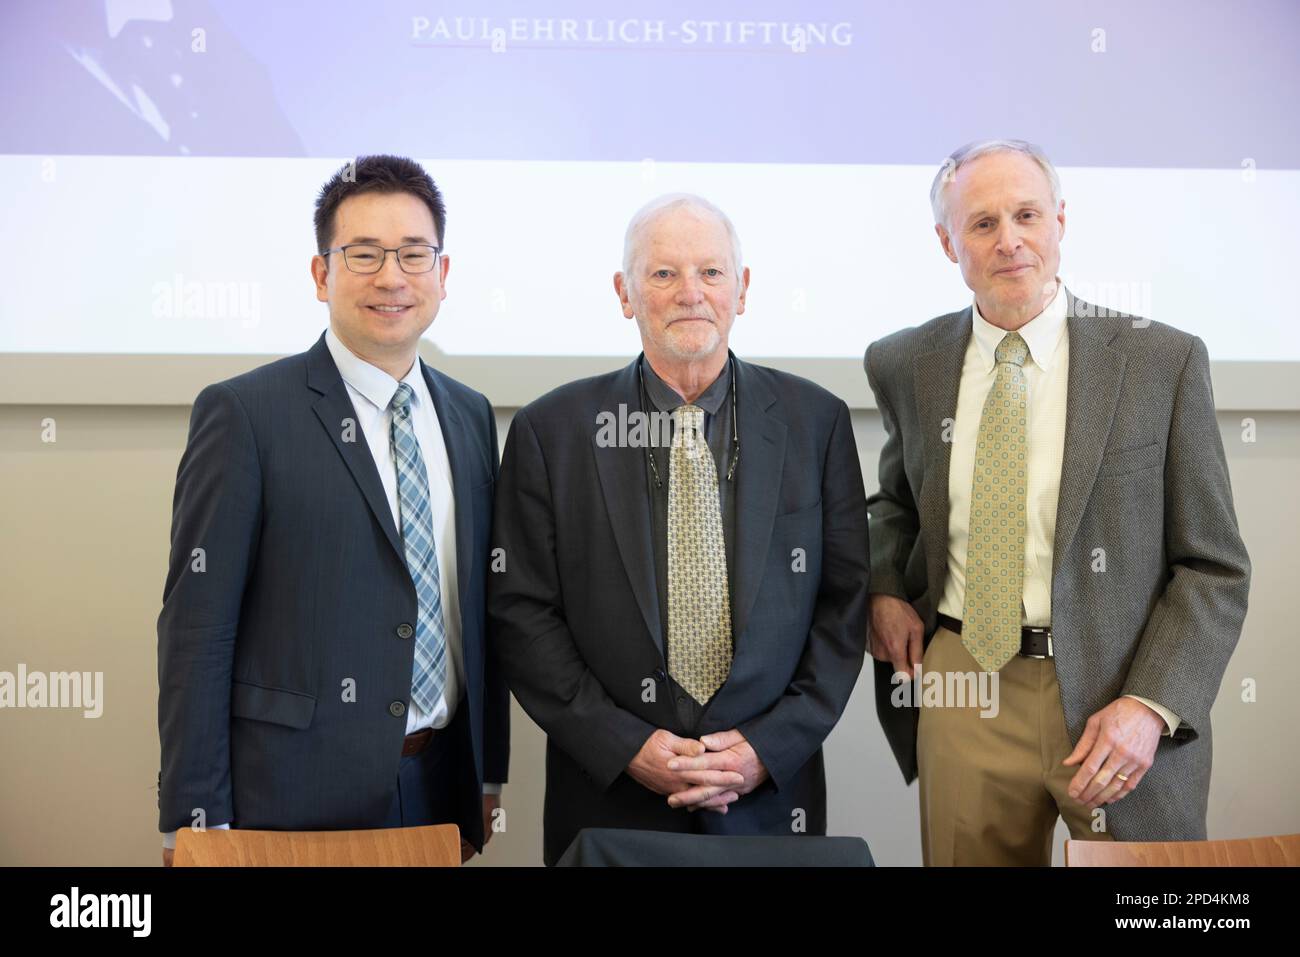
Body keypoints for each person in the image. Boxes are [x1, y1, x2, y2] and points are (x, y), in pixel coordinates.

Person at [864, 139, 1251, 865]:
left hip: (1118, 695)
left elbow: (1214, 567)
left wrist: (1150, 706)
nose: (1008, 240)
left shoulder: (1160, 361)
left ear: (1061, 222)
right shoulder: (904, 362)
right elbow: (898, 502)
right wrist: (885, 586)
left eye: (1026, 215)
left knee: (1154, 915)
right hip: (963, 682)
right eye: (981, 224)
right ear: (948, 242)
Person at [488, 193, 869, 865]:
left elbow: (842, 609)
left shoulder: (818, 422)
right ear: (625, 292)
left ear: (742, 290)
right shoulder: (552, 432)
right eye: (663, 273)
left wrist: (765, 748)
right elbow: (522, 612)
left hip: (770, 798)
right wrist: (624, 745)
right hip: (608, 799)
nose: (690, 293)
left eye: (712, 273)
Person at [157, 155, 508, 865]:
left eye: (414, 254)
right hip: (284, 802)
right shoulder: (246, 414)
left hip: (440, 788)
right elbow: (197, 627)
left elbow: (482, 611)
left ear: (443, 272)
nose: (392, 276)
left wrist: (488, 768)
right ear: (322, 275)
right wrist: (196, 821)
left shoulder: (469, 417)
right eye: (364, 254)